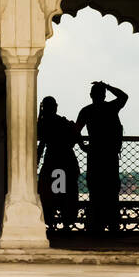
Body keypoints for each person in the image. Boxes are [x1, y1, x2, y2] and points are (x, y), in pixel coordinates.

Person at [75, 81, 128, 236]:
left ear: (91, 95)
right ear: (104, 95)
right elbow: (124, 96)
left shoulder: (87, 111)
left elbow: (76, 129)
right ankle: (112, 225)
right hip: (109, 154)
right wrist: (107, 85)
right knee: (111, 191)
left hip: (95, 154)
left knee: (96, 190)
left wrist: (82, 145)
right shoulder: (111, 108)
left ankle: (95, 225)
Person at [36, 96, 80, 232]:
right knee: (65, 193)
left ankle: (51, 222)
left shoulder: (45, 123)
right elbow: (74, 138)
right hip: (67, 162)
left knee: (50, 193)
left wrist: (36, 160)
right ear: (56, 107)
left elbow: (42, 143)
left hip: (53, 162)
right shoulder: (64, 122)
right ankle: (66, 222)